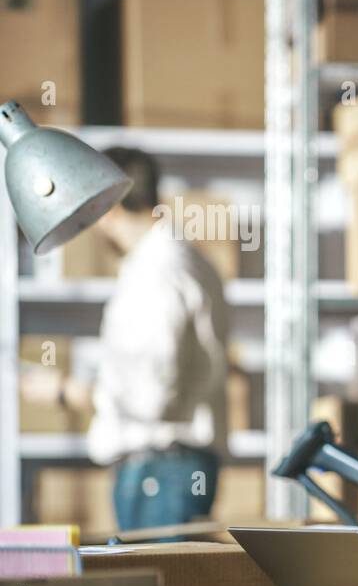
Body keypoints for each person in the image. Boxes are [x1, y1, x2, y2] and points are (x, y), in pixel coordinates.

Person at [21, 147, 229, 537]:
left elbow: (149, 395)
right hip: (170, 470)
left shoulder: (156, 272)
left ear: (107, 207)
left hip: (160, 472)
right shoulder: (185, 259)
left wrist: (65, 391)